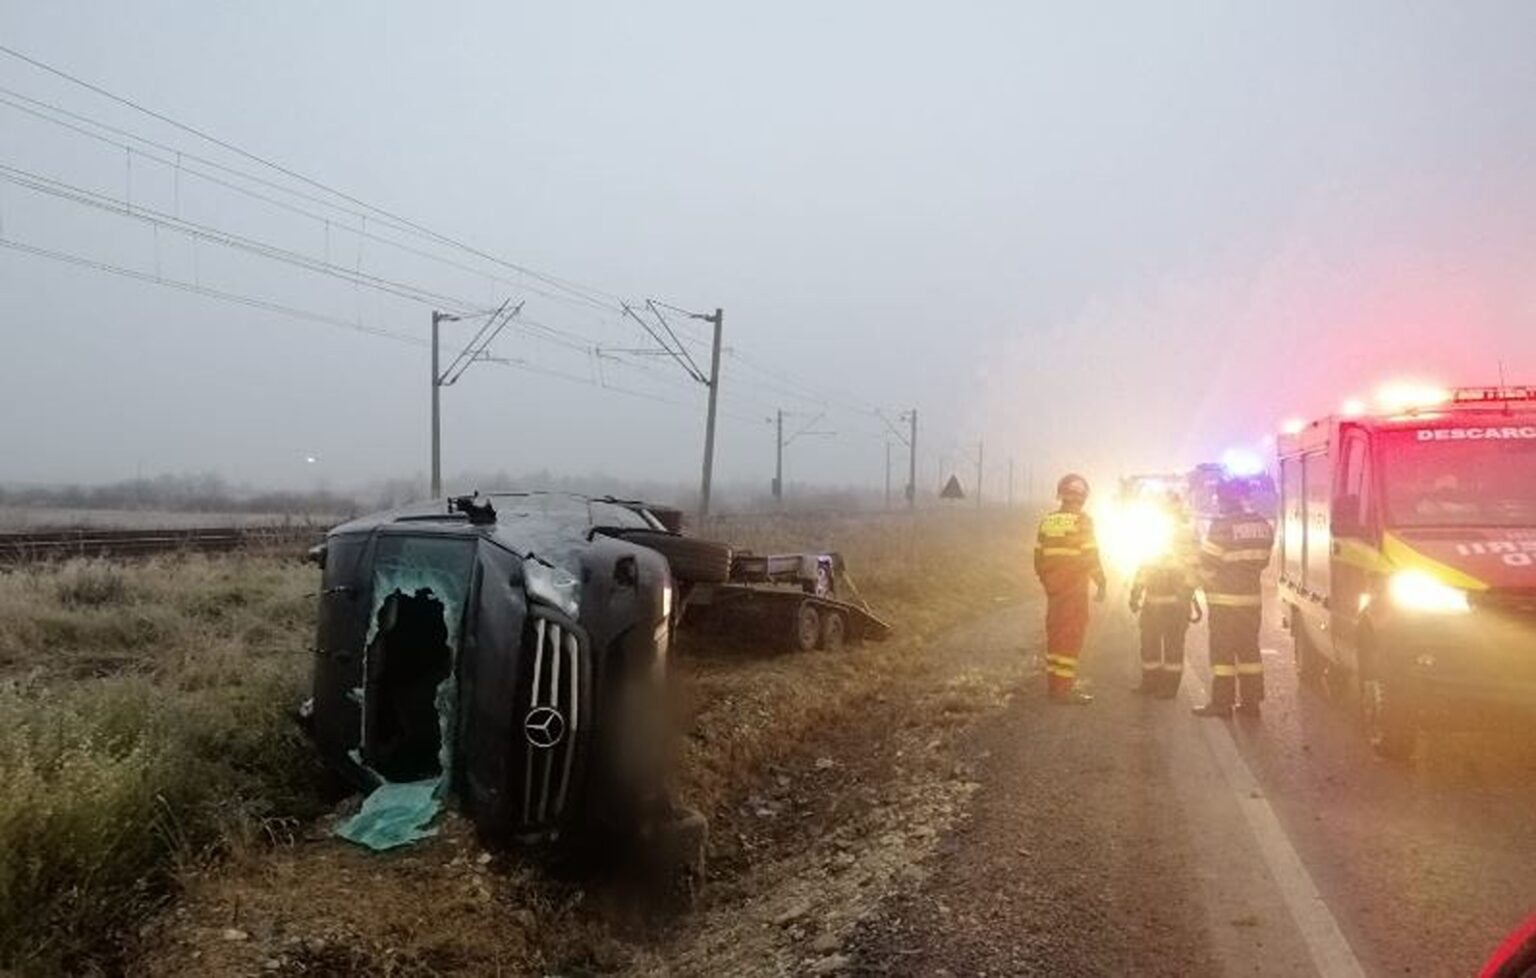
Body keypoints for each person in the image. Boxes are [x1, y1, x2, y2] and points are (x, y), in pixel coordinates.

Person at [1193, 477, 1275, 718]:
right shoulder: (1261, 524)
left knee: (1222, 655)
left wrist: (1195, 583)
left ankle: (1222, 704)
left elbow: (1207, 562)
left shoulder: (1221, 526)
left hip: (1224, 601)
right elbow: (1263, 561)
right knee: (1249, 652)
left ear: (1225, 499)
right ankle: (1251, 704)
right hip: (1251, 601)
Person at [1034, 473, 1108, 705]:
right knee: (1070, 636)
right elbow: (1090, 555)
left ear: (1061, 494)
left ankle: (1054, 686)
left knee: (1055, 635)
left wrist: (1048, 582)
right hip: (1074, 589)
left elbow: (1038, 557)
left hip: (1054, 589)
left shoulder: (1047, 521)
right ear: (1083, 496)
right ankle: (1064, 690)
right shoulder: (1082, 521)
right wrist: (1101, 581)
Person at [1129, 493, 1200, 698]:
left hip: (1175, 601)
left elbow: (1195, 565)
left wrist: (1186, 593)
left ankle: (1169, 687)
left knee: (1172, 646)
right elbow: (1144, 565)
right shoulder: (1153, 530)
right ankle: (1150, 682)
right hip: (1154, 601)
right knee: (1150, 643)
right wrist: (1136, 592)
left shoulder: (1186, 531)